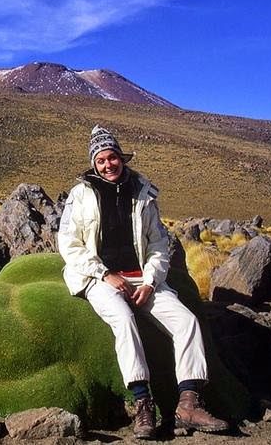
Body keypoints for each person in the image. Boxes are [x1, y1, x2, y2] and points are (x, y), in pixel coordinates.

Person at [58, 125, 228, 439]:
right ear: (94, 164)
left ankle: (188, 402)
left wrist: (150, 281)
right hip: (100, 278)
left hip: (142, 279)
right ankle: (143, 402)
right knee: (123, 319)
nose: (108, 165)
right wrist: (104, 274)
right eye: (101, 160)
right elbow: (69, 245)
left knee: (187, 321)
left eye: (113, 157)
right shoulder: (80, 195)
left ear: (121, 158)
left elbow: (159, 244)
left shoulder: (143, 191)